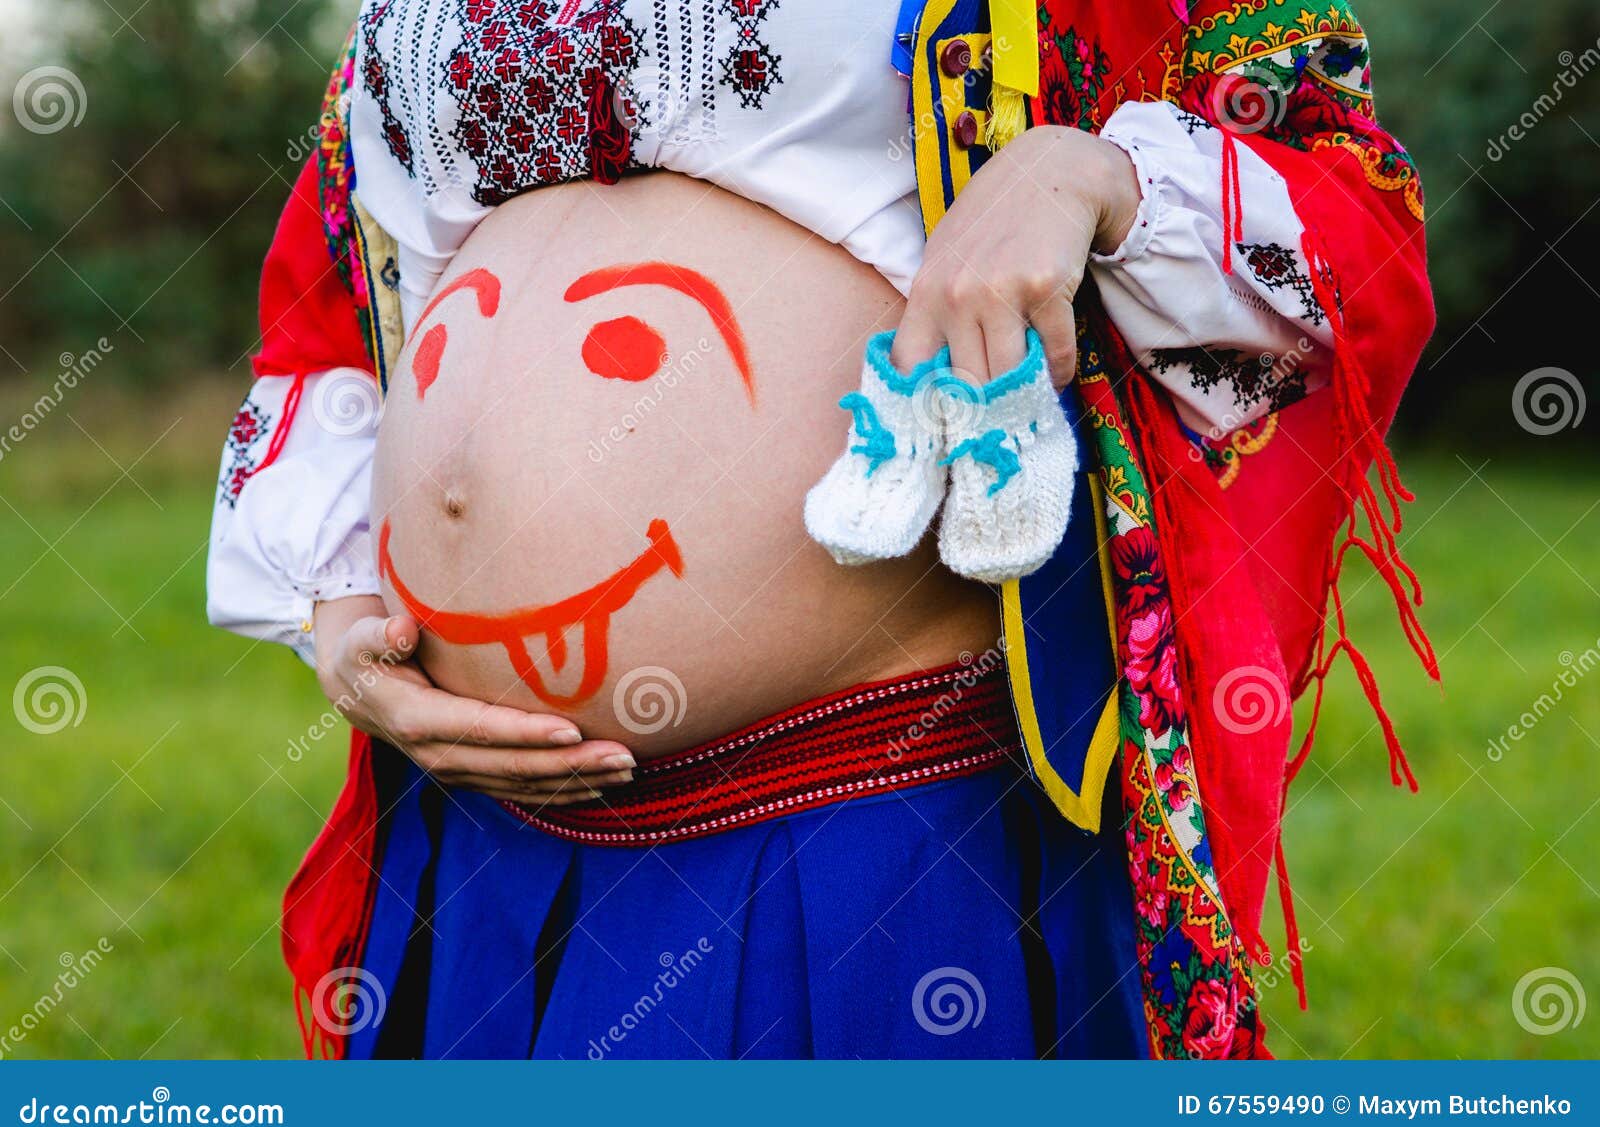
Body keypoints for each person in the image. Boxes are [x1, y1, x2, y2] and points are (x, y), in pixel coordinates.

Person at [207, 0, 1435, 1059]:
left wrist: (1087, 178)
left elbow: (1348, 225)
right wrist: (339, 608)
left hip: (863, 842)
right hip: (476, 849)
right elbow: (335, 301)